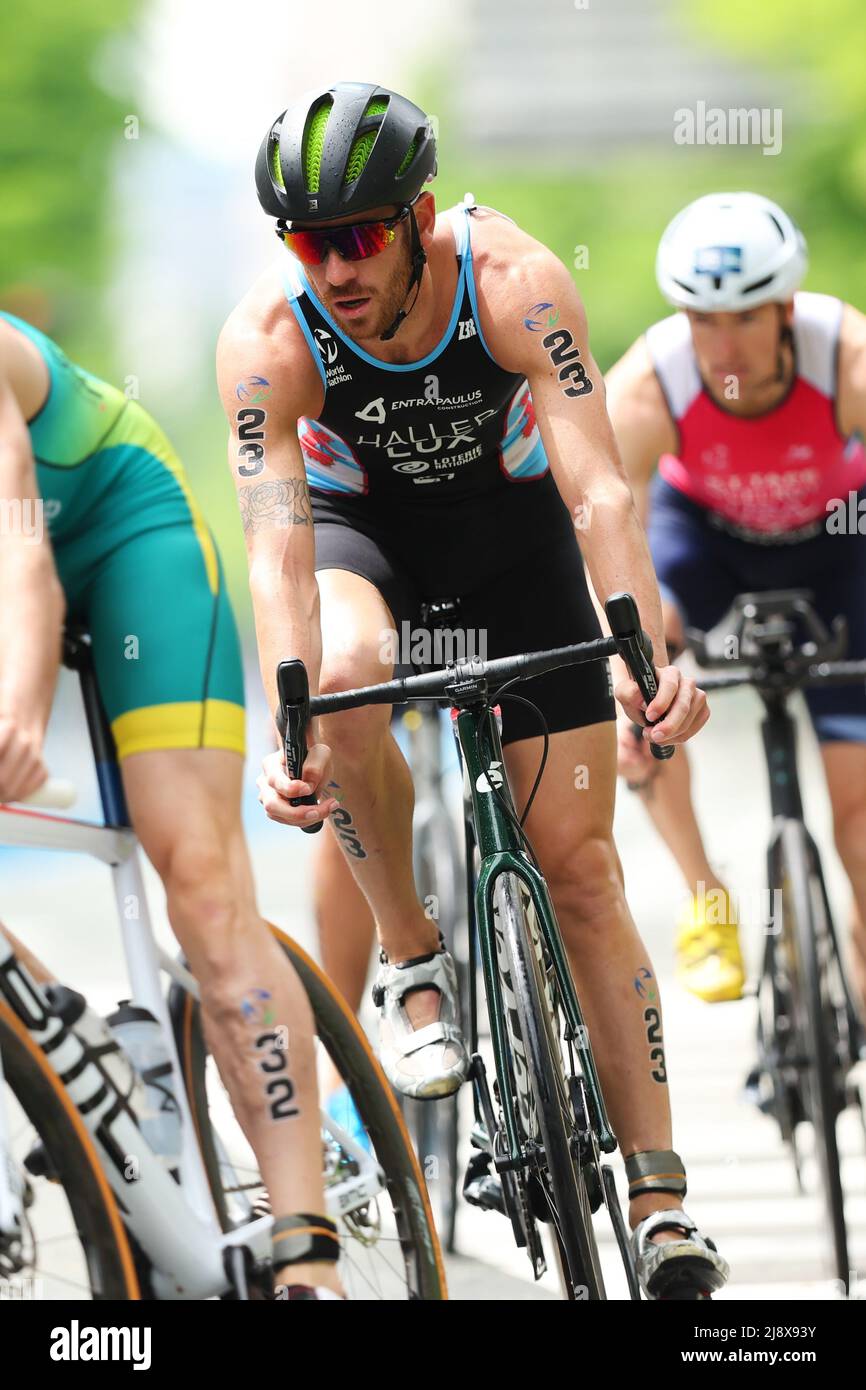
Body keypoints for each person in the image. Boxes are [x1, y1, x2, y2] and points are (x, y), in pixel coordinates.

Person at [217, 79, 729, 1297]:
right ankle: (412, 959)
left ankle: (658, 1204)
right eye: (306, 241)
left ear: (418, 216)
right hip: (361, 544)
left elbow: (601, 493)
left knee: (586, 871)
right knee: (343, 682)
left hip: (516, 549)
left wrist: (641, 657)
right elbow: (276, 539)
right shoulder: (267, 341)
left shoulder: (515, 282)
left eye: (358, 235)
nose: (333, 266)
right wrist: (289, 717)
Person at [0, 312, 343, 1300]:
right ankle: (92, 1057)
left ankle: (305, 1247)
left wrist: (21, 719)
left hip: (120, 537)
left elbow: (22, 559)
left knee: (196, 876)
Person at [605, 192, 866, 1010]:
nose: (723, 345)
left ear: (787, 308)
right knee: (639, 706)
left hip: (838, 544)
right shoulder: (647, 386)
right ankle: (705, 896)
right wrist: (633, 658)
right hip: (703, 546)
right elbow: (608, 525)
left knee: (858, 807)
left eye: (746, 317)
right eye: (701, 319)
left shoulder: (848, 358)